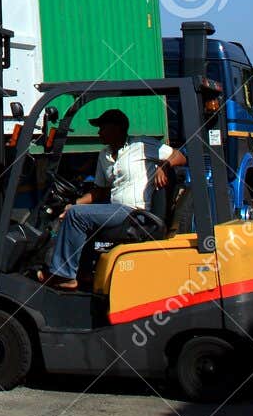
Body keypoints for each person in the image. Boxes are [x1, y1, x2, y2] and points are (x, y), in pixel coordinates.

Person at [45, 108, 185, 291]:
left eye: (102, 127)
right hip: (115, 210)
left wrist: (165, 166)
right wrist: (73, 204)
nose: (98, 132)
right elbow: (100, 192)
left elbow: (180, 156)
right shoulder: (104, 155)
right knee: (76, 213)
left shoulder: (141, 145)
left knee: (77, 216)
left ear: (117, 129)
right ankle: (84, 274)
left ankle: (63, 275)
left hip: (135, 213)